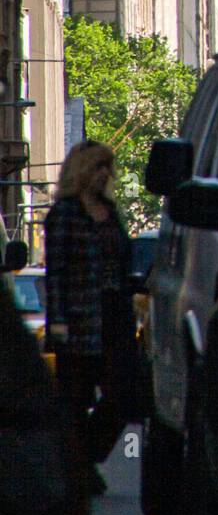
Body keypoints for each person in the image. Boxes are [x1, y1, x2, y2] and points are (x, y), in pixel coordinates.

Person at [44, 140, 135, 496]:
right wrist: (58, 322)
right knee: (76, 397)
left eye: (108, 168)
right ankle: (79, 468)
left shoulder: (110, 212)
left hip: (115, 314)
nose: (105, 175)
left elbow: (122, 262)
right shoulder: (65, 214)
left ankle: (82, 459)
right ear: (83, 170)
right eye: (99, 167)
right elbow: (56, 273)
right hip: (80, 317)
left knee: (125, 393)